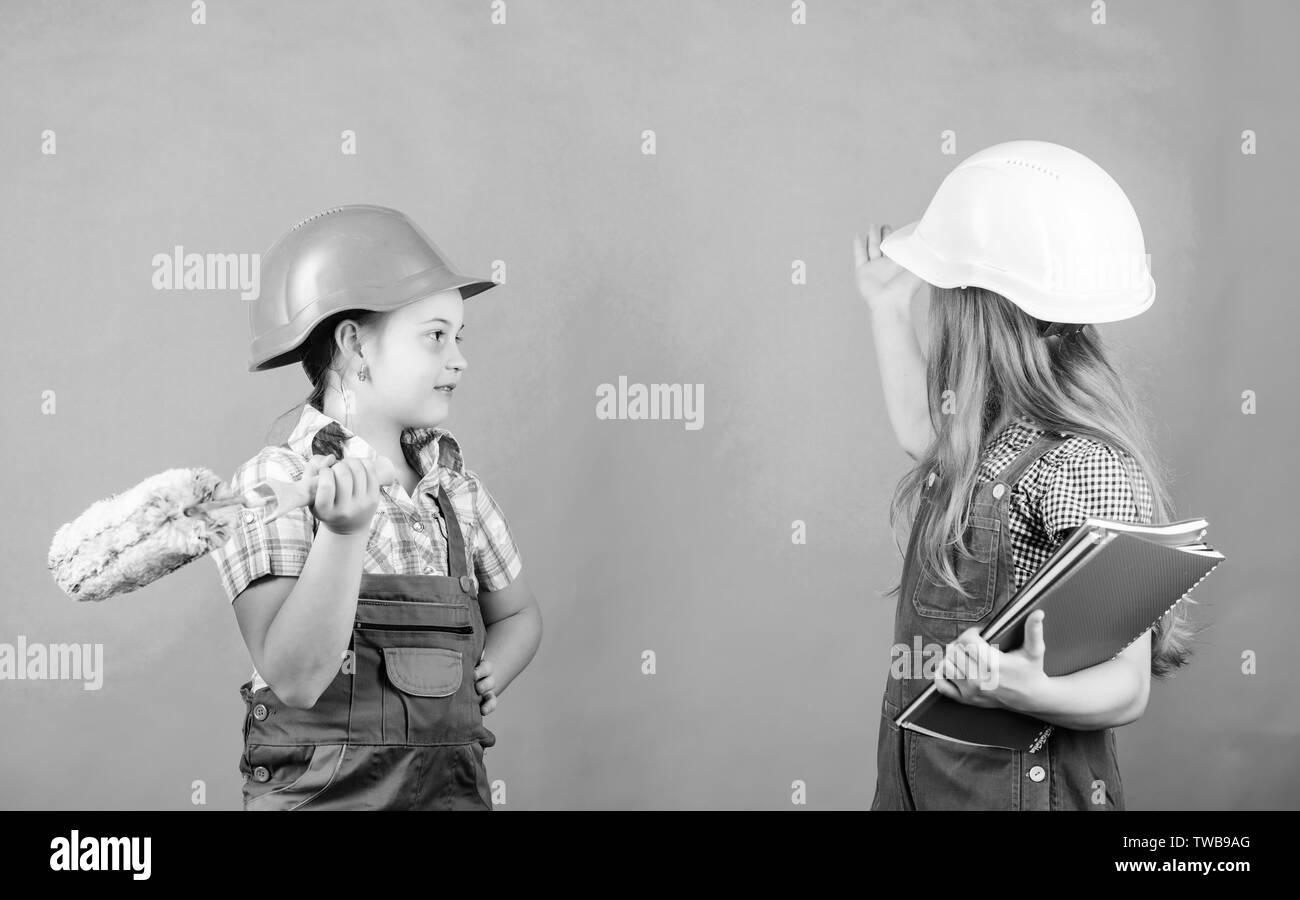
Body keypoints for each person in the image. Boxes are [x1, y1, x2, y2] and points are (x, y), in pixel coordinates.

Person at [855, 141, 1201, 810]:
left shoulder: (1083, 464)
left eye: (942, 292)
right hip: (923, 790)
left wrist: (1025, 691)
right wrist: (885, 308)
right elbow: (921, 437)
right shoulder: (988, 432)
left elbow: (1126, 686)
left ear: (972, 310)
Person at [209, 205, 541, 810]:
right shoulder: (276, 480)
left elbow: (519, 616)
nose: (460, 357)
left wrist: (494, 667)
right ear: (354, 342)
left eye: (459, 336)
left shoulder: (456, 489)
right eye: (436, 335)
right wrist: (342, 534)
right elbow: (296, 678)